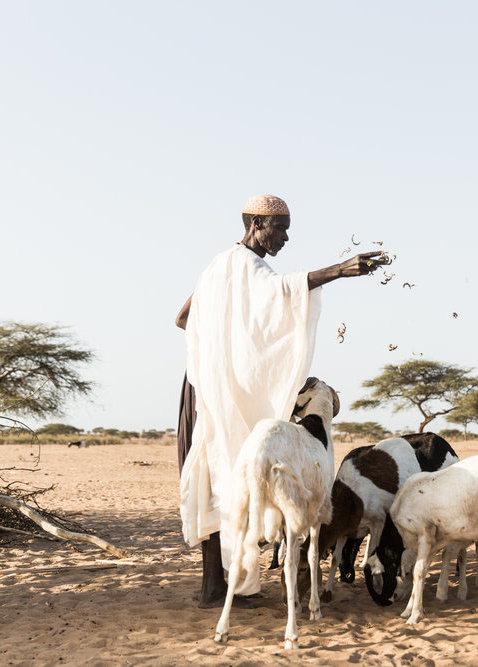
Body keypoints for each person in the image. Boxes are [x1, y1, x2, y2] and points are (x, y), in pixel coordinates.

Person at [175, 194, 382, 608]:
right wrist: (339, 270)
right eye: (279, 228)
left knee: (216, 481)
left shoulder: (216, 269)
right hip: (219, 389)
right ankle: (221, 588)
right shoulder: (246, 267)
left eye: (288, 229)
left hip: (202, 385)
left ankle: (216, 587)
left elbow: (183, 319)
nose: (285, 238)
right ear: (254, 223)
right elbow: (280, 292)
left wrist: (219, 346)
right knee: (227, 478)